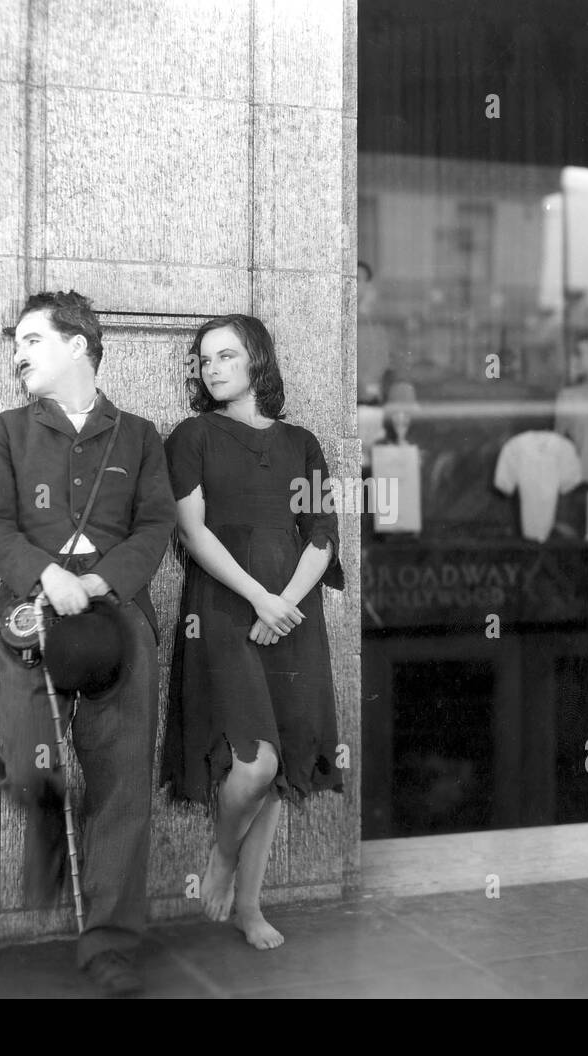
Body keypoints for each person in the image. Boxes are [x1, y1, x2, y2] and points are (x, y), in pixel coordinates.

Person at [0, 290, 175, 996]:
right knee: (31, 769)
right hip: (30, 618)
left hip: (118, 621)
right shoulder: (6, 432)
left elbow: (155, 528)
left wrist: (98, 585)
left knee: (121, 786)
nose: (18, 353)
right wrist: (47, 575)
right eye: (15, 343)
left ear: (79, 345)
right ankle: (46, 823)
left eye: (31, 339)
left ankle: (110, 945)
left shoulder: (141, 435)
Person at [161, 314, 344, 950]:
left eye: (226, 356)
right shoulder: (190, 436)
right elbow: (192, 531)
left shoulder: (303, 442)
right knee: (254, 761)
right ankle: (221, 855)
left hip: (292, 612)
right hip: (225, 607)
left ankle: (249, 904)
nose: (211, 369)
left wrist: (286, 601)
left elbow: (323, 533)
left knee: (278, 766)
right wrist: (259, 599)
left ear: (257, 361)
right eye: (203, 359)